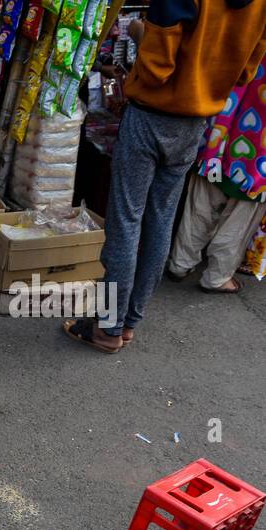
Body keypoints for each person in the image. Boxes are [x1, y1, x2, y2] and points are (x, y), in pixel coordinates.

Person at [64, 0, 266, 352]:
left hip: (151, 116)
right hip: (195, 121)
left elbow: (157, 67)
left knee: (126, 220)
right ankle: (127, 322)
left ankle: (108, 327)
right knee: (160, 219)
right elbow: (246, 70)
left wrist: (141, 32)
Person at [167, 62, 266, 292]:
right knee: (239, 221)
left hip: (219, 132)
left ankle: (180, 264)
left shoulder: (246, 26)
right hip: (258, 155)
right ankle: (216, 277)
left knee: (200, 205)